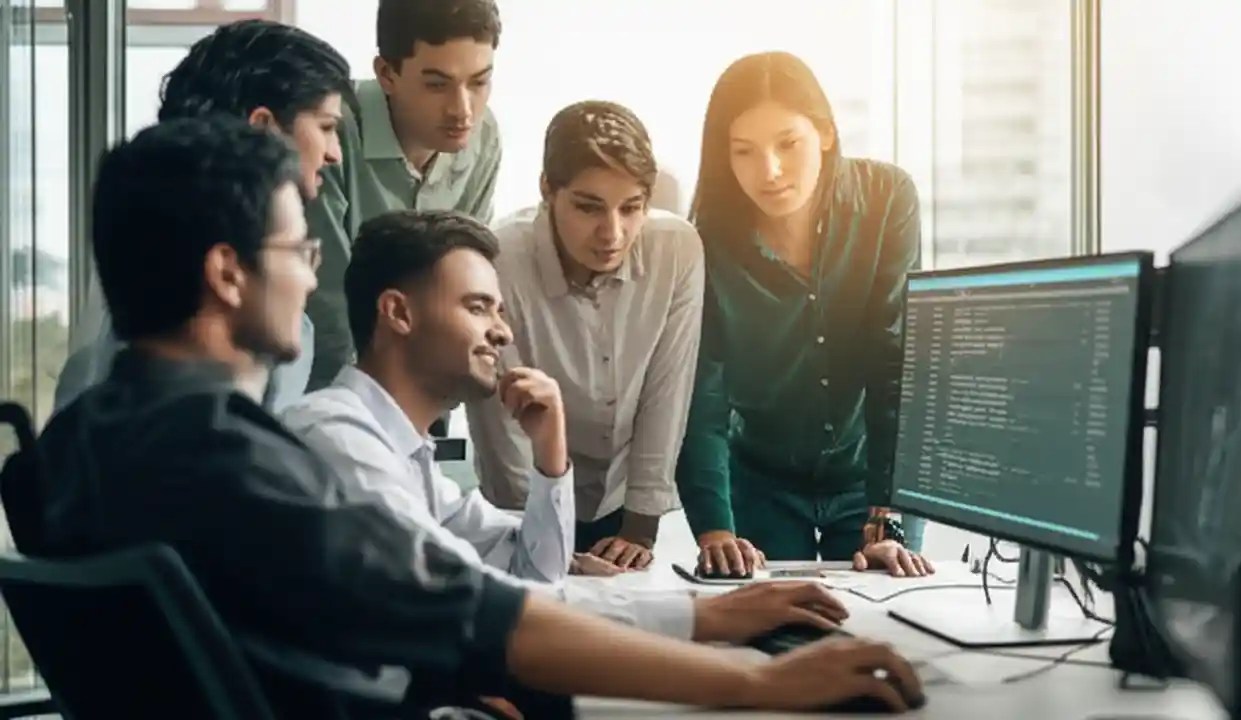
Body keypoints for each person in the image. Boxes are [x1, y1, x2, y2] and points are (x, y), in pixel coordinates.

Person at [25, 116, 925, 718]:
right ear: (227, 274)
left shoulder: (81, 441)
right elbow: (489, 619)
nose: (310, 278)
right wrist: (761, 684)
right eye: (298, 249)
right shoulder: (238, 462)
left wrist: (708, 621)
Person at [285, 208, 829, 645]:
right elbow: (486, 604)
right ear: (398, 314)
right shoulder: (341, 443)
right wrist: (706, 617)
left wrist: (550, 456)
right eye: (479, 308)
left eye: (499, 311)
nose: (501, 332)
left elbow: (535, 574)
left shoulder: (413, 462)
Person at [676, 51, 935, 577]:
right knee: (770, 636)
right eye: (743, 151)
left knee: (878, 621)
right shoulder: (704, 242)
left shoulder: (887, 200)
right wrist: (715, 528)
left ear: (826, 133)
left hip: (868, 478)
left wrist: (887, 517)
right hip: (760, 481)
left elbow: (895, 357)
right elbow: (702, 388)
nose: (768, 172)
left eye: (787, 144)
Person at [53, 19, 348, 414]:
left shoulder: (142, 271)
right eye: (326, 126)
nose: (335, 154)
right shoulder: (181, 312)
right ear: (263, 128)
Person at [467, 101, 703, 570]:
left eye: (631, 208)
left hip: (623, 504)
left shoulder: (677, 250)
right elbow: (502, 424)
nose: (611, 233)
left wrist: (642, 525)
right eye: (588, 207)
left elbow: (667, 390)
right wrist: (537, 539)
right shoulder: (497, 259)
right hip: (524, 500)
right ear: (547, 191)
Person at [306, 0, 504, 399]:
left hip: (420, 392)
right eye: (437, 84)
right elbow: (329, 304)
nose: (462, 110)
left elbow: (461, 286)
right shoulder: (334, 130)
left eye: (479, 82)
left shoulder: (483, 139)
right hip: (324, 390)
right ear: (387, 74)